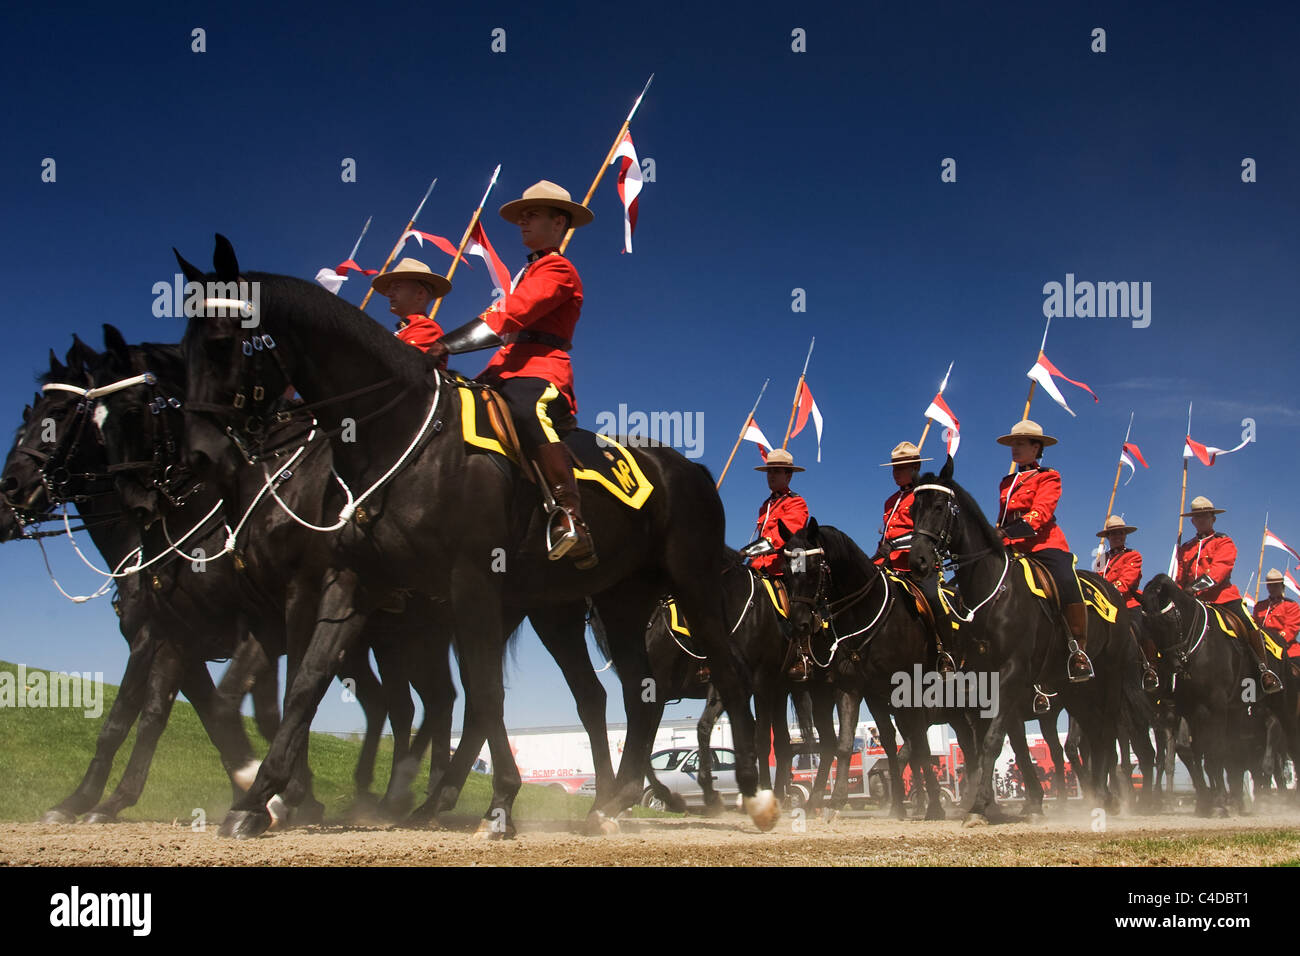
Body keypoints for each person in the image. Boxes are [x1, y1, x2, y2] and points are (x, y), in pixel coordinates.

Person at [427, 181, 597, 568]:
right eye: (521, 215)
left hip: (540, 370)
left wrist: (446, 345)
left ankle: (570, 515)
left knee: (524, 409)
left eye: (531, 214)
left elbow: (512, 314)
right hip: (502, 368)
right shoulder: (529, 270)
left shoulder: (558, 267)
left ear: (559, 223)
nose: (522, 222)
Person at [995, 420, 1092, 683]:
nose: (1014, 448)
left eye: (1021, 443)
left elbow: (1041, 513)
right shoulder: (1007, 482)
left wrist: (1007, 533)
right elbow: (1003, 518)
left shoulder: (1048, 476)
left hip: (1043, 544)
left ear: (1036, 447)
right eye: (1013, 443)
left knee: (1065, 580)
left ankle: (1078, 650)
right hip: (1011, 547)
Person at [1177, 497, 1281, 693]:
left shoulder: (1223, 541)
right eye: (1197, 517)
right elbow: (1180, 577)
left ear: (1213, 518)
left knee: (1248, 623)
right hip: (1194, 602)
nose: (1201, 520)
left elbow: (1220, 570)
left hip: (1223, 598)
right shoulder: (1185, 548)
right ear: (1192, 521)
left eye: (1205, 516)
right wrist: (1178, 594)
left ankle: (1264, 670)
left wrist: (1194, 588)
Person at [875, 440, 955, 673]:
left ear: (915, 468)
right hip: (891, 567)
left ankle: (946, 652)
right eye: (894, 467)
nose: (896, 472)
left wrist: (892, 547)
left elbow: (922, 535)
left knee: (933, 596)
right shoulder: (890, 501)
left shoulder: (924, 497)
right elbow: (887, 539)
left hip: (918, 568)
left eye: (901, 467)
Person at [748, 448, 810, 679]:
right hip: (761, 565)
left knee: (800, 604)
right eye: (769, 471)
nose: (771, 476)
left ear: (789, 476)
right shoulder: (765, 505)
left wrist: (751, 549)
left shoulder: (797, 503)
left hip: (788, 564)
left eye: (776, 471)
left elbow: (782, 535)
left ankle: (803, 655)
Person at [1096, 514, 1157, 690]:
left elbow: (1126, 582)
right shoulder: (1101, 560)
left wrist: (1105, 592)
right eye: (1113, 533)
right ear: (1108, 537)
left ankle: (1150, 668)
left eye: (1121, 533)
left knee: (1142, 631)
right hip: (1104, 606)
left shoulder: (1133, 556)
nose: (1117, 536)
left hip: (1127, 604)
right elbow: (1097, 579)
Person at [370, 257, 451, 355]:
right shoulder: (406, 328)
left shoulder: (425, 327)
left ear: (420, 293)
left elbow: (406, 364)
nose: (389, 294)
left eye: (396, 287)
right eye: (390, 289)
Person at [1253, 568, 1300, 660]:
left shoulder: (1291, 606)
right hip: (1263, 648)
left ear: (1282, 586)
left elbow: (1291, 629)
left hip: (1288, 650)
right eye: (1270, 585)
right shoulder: (1259, 607)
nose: (1272, 588)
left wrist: (1274, 642)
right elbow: (1255, 626)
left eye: (1275, 585)